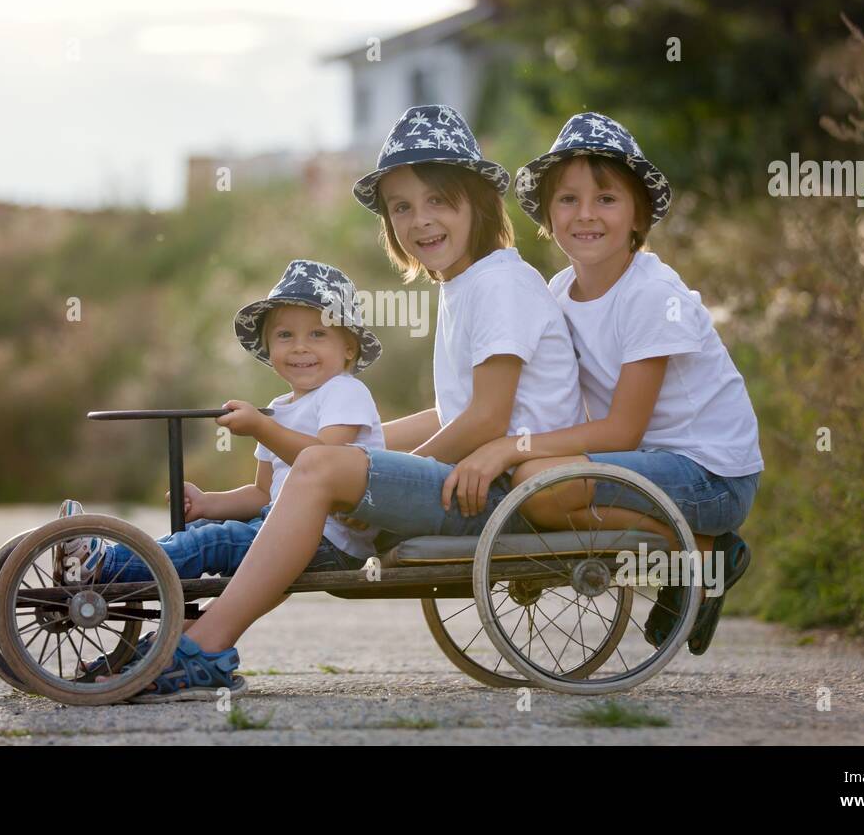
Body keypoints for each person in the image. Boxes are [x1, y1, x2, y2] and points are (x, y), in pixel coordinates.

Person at [124, 103, 584, 701]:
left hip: (507, 490)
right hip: (479, 478)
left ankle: (207, 645)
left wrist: (382, 475)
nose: (420, 221)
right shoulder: (466, 284)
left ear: (479, 202)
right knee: (328, 466)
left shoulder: (499, 283)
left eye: (439, 201)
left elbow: (487, 419)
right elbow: (453, 412)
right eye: (402, 208)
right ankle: (190, 627)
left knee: (318, 467)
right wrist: (372, 454)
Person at [460, 111, 765, 654]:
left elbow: (622, 431)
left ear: (637, 214)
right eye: (568, 200)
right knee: (534, 476)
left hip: (710, 473)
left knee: (540, 483)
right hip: (651, 462)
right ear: (548, 216)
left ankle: (699, 548)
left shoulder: (652, 295)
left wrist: (511, 445)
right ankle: (684, 546)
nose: (586, 215)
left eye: (606, 199)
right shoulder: (556, 292)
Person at [59, 259, 385, 698]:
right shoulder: (279, 406)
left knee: (211, 545)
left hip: (333, 539)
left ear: (348, 349)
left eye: (318, 334)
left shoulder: (346, 393)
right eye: (285, 335)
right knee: (204, 531)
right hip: (286, 528)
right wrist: (209, 502)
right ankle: (142, 659)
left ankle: (107, 566)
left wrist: (262, 428)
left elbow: (326, 461)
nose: (300, 347)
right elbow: (261, 494)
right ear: (268, 349)